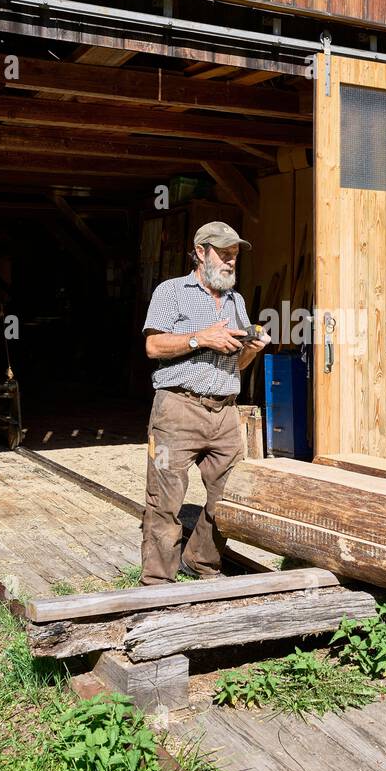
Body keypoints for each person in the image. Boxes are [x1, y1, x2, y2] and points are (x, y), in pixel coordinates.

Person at [140, 221, 270, 583]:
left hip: (225, 413)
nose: (230, 262)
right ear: (200, 252)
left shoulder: (236, 300)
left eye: (234, 256)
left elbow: (237, 362)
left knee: (229, 497)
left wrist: (251, 349)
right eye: (224, 254)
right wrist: (201, 338)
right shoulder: (172, 292)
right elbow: (152, 347)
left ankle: (200, 561)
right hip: (177, 412)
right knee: (164, 500)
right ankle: (156, 585)